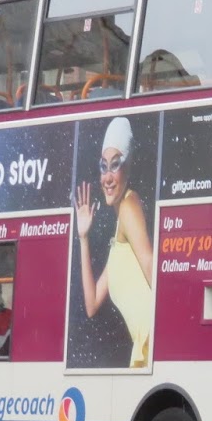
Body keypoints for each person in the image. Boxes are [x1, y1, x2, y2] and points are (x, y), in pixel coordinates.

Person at [75, 117, 155, 367]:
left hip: (152, 341)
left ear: (128, 168)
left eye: (115, 165)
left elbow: (152, 267)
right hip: (145, 344)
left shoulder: (129, 205)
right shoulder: (120, 234)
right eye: (103, 167)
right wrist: (83, 237)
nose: (107, 178)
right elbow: (91, 304)